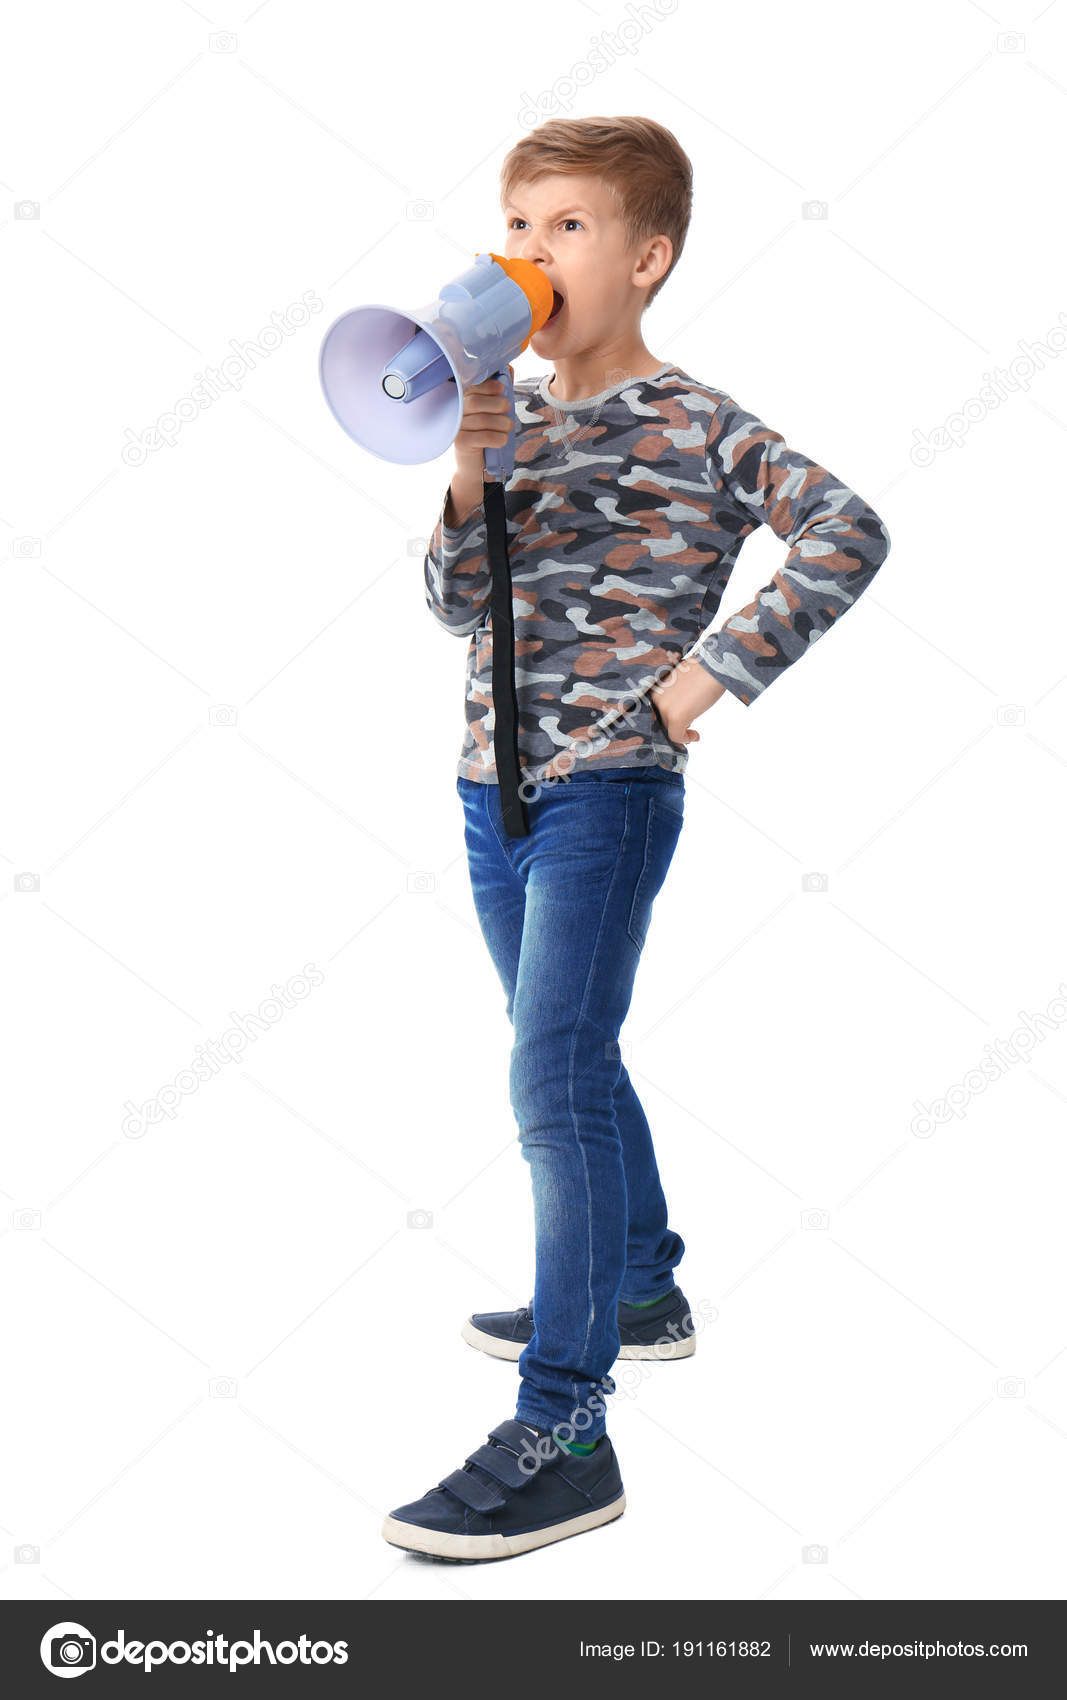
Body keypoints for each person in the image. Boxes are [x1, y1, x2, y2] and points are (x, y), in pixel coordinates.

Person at [381, 115, 891, 1563]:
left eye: (567, 229)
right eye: (516, 224)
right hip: (494, 790)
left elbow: (849, 531)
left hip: (610, 790)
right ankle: (642, 1285)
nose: (528, 253)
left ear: (646, 257)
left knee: (547, 1074)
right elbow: (451, 610)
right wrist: (470, 470)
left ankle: (567, 1427)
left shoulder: (700, 423)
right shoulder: (513, 415)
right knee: (577, 1059)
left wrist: (706, 676)